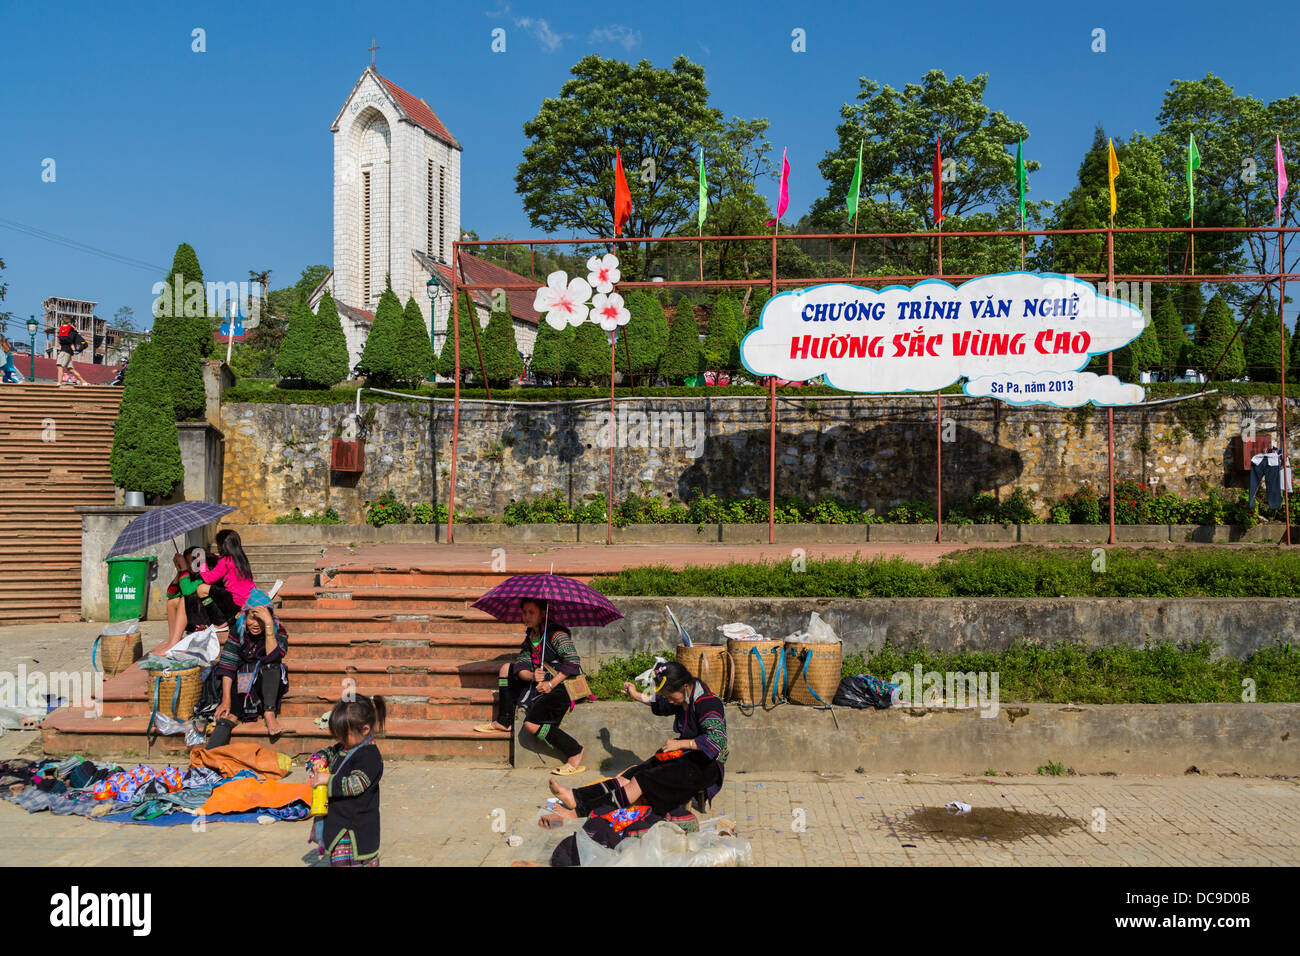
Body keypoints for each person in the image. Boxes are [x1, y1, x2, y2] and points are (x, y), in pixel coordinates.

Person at [549, 660, 726, 818]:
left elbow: (717, 741)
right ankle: (576, 796)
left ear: (685, 686)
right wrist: (635, 695)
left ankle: (580, 811)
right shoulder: (683, 697)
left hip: (706, 765)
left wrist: (681, 743)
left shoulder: (707, 702)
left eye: (671, 697)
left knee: (643, 780)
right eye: (667, 697)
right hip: (684, 756)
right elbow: (659, 703)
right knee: (633, 773)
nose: (670, 701)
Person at [473, 597, 587, 775]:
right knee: (506, 669)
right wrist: (532, 675)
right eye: (524, 612)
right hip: (541, 683)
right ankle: (504, 720)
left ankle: (574, 752)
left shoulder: (557, 634)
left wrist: (551, 683)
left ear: (543, 613)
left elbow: (572, 662)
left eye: (531, 612)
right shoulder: (531, 637)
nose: (526, 616)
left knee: (532, 725)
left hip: (563, 684)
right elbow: (521, 666)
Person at [307, 695, 386, 867]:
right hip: (340, 825)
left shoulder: (369, 756)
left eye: (344, 735)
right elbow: (325, 752)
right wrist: (318, 760)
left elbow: (356, 784)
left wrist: (328, 779)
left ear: (365, 729)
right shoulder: (343, 748)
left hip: (355, 830)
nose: (340, 740)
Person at [204, 592, 288, 744]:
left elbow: (274, 656)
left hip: (268, 683)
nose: (255, 624)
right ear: (245, 616)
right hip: (242, 679)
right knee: (229, 715)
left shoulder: (278, 630)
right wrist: (226, 700)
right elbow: (228, 664)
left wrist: (268, 624)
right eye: (252, 618)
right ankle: (209, 757)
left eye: (260, 620)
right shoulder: (238, 630)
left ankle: (269, 713)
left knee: (272, 664)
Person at [194, 530, 256, 635]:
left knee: (201, 589)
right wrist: (211, 555)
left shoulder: (225, 561)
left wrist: (202, 560)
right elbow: (222, 566)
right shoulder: (240, 558)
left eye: (218, 545)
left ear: (223, 546)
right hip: (247, 598)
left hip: (236, 600)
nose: (217, 547)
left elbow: (209, 579)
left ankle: (220, 622)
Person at [55, 322, 89, 387]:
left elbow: (68, 341)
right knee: (70, 369)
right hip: (69, 352)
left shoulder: (69, 332)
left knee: (59, 366)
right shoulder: (73, 332)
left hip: (65, 351)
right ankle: (83, 382)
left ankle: (59, 383)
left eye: (64, 324)